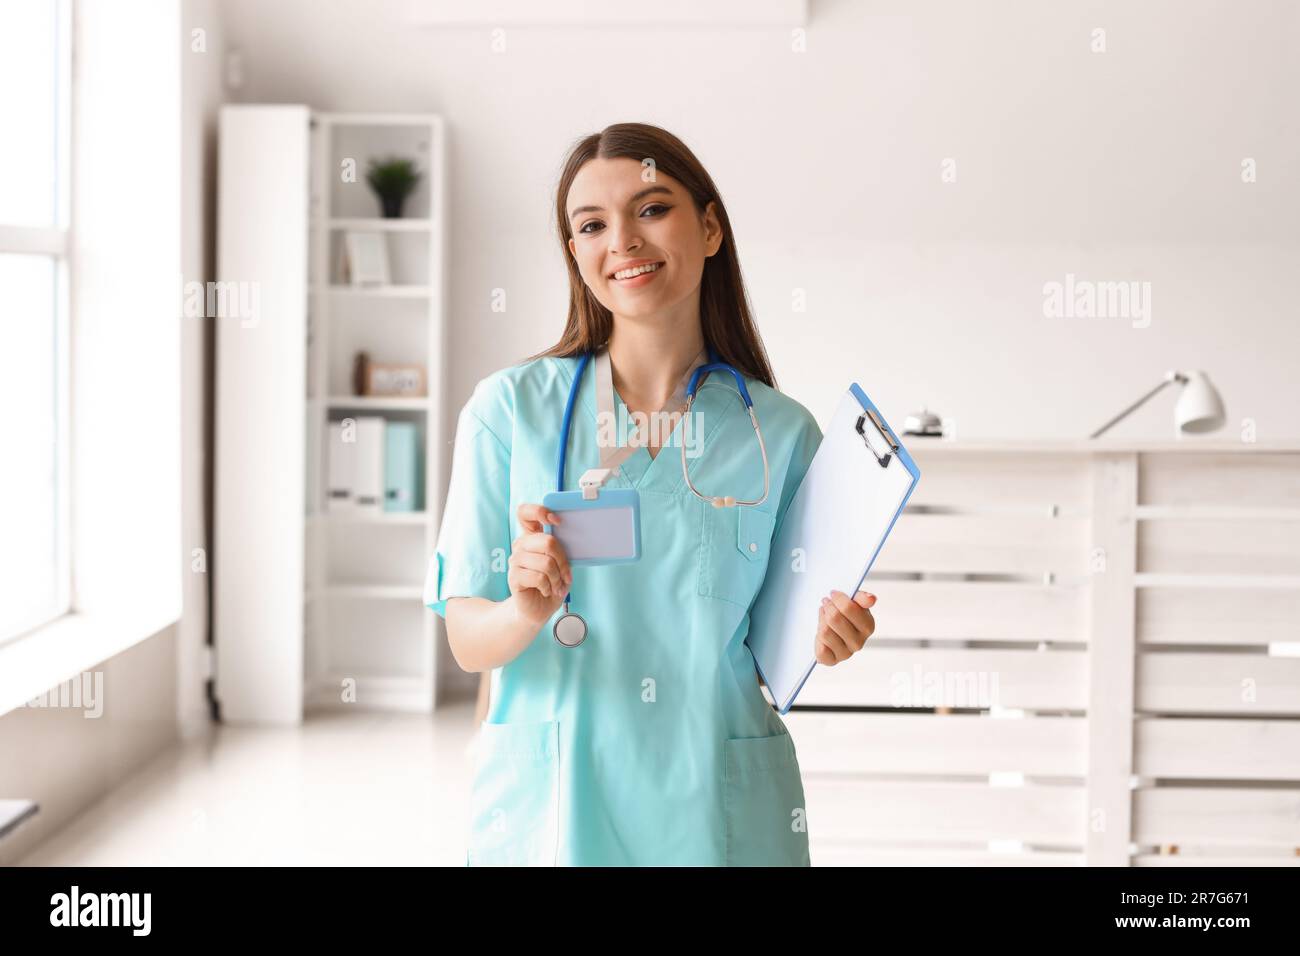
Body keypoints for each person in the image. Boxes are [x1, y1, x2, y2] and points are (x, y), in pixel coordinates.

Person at [425, 122, 878, 866]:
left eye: (652, 208)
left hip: (716, 807)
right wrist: (524, 610)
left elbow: (780, 650)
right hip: (560, 807)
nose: (623, 241)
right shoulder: (509, 412)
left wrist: (831, 637)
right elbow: (469, 639)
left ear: (708, 227)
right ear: (575, 254)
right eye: (592, 225)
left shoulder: (781, 434)